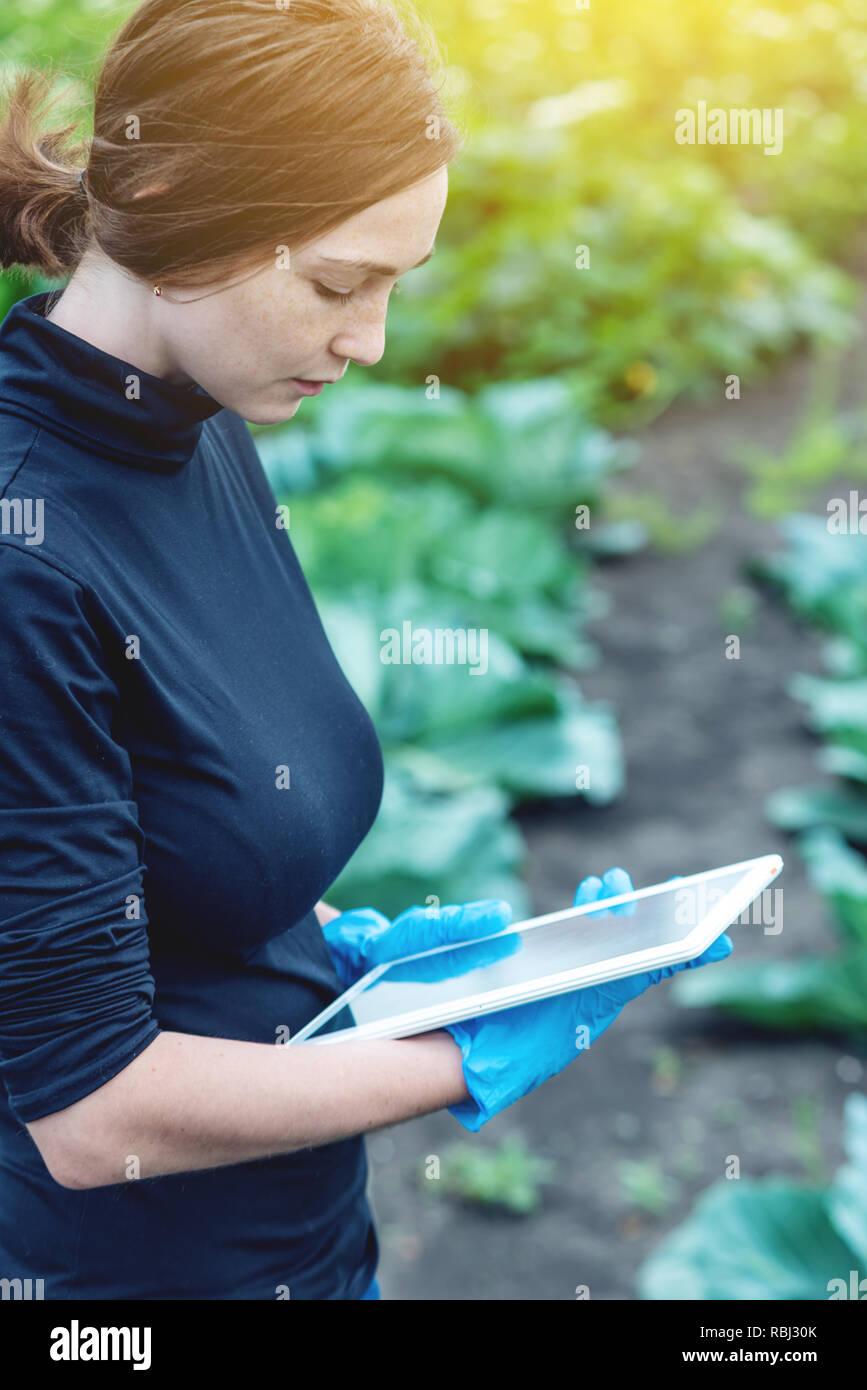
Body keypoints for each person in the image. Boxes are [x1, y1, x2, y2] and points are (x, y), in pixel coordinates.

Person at [0, 0, 731, 1301]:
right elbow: (93, 1112)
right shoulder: (24, 555)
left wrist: (344, 950)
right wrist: (469, 1048)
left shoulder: (193, 410)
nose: (372, 340)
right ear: (171, 199)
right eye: (340, 282)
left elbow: (162, 827)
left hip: (306, 1244)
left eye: (396, 284)